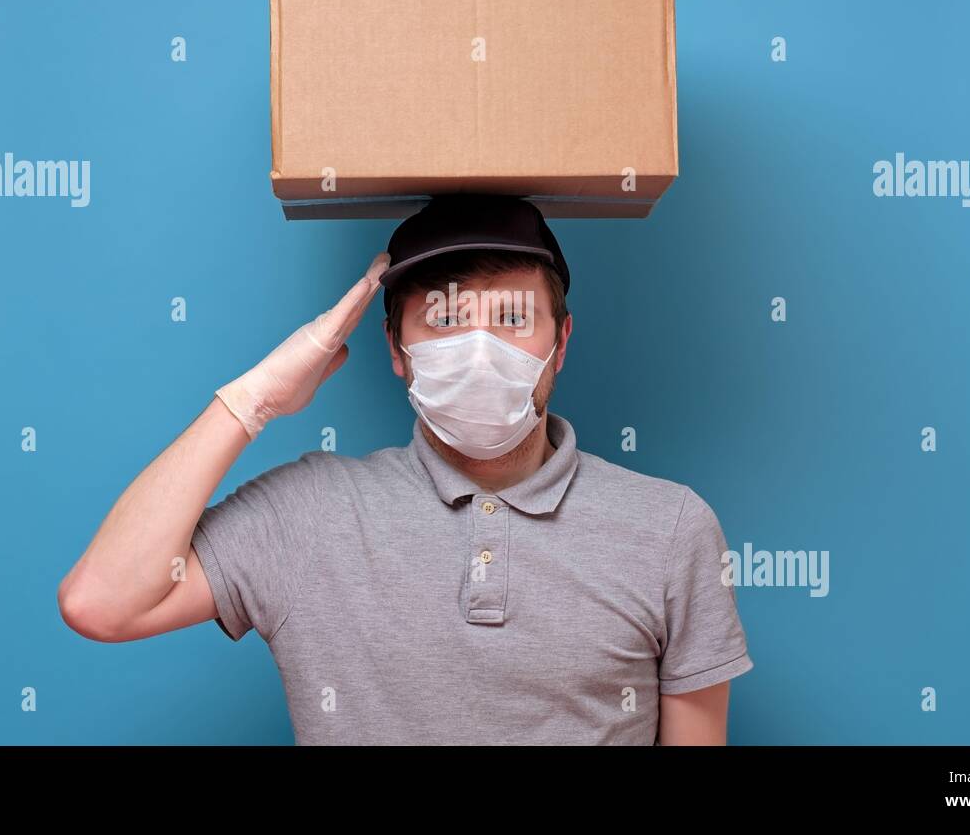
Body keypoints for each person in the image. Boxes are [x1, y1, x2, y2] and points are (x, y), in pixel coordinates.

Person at [58, 195, 753, 744]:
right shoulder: (310, 511)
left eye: (512, 317)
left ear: (560, 342)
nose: (480, 350)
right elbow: (103, 602)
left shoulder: (669, 528)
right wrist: (256, 398)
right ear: (396, 348)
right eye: (445, 318)